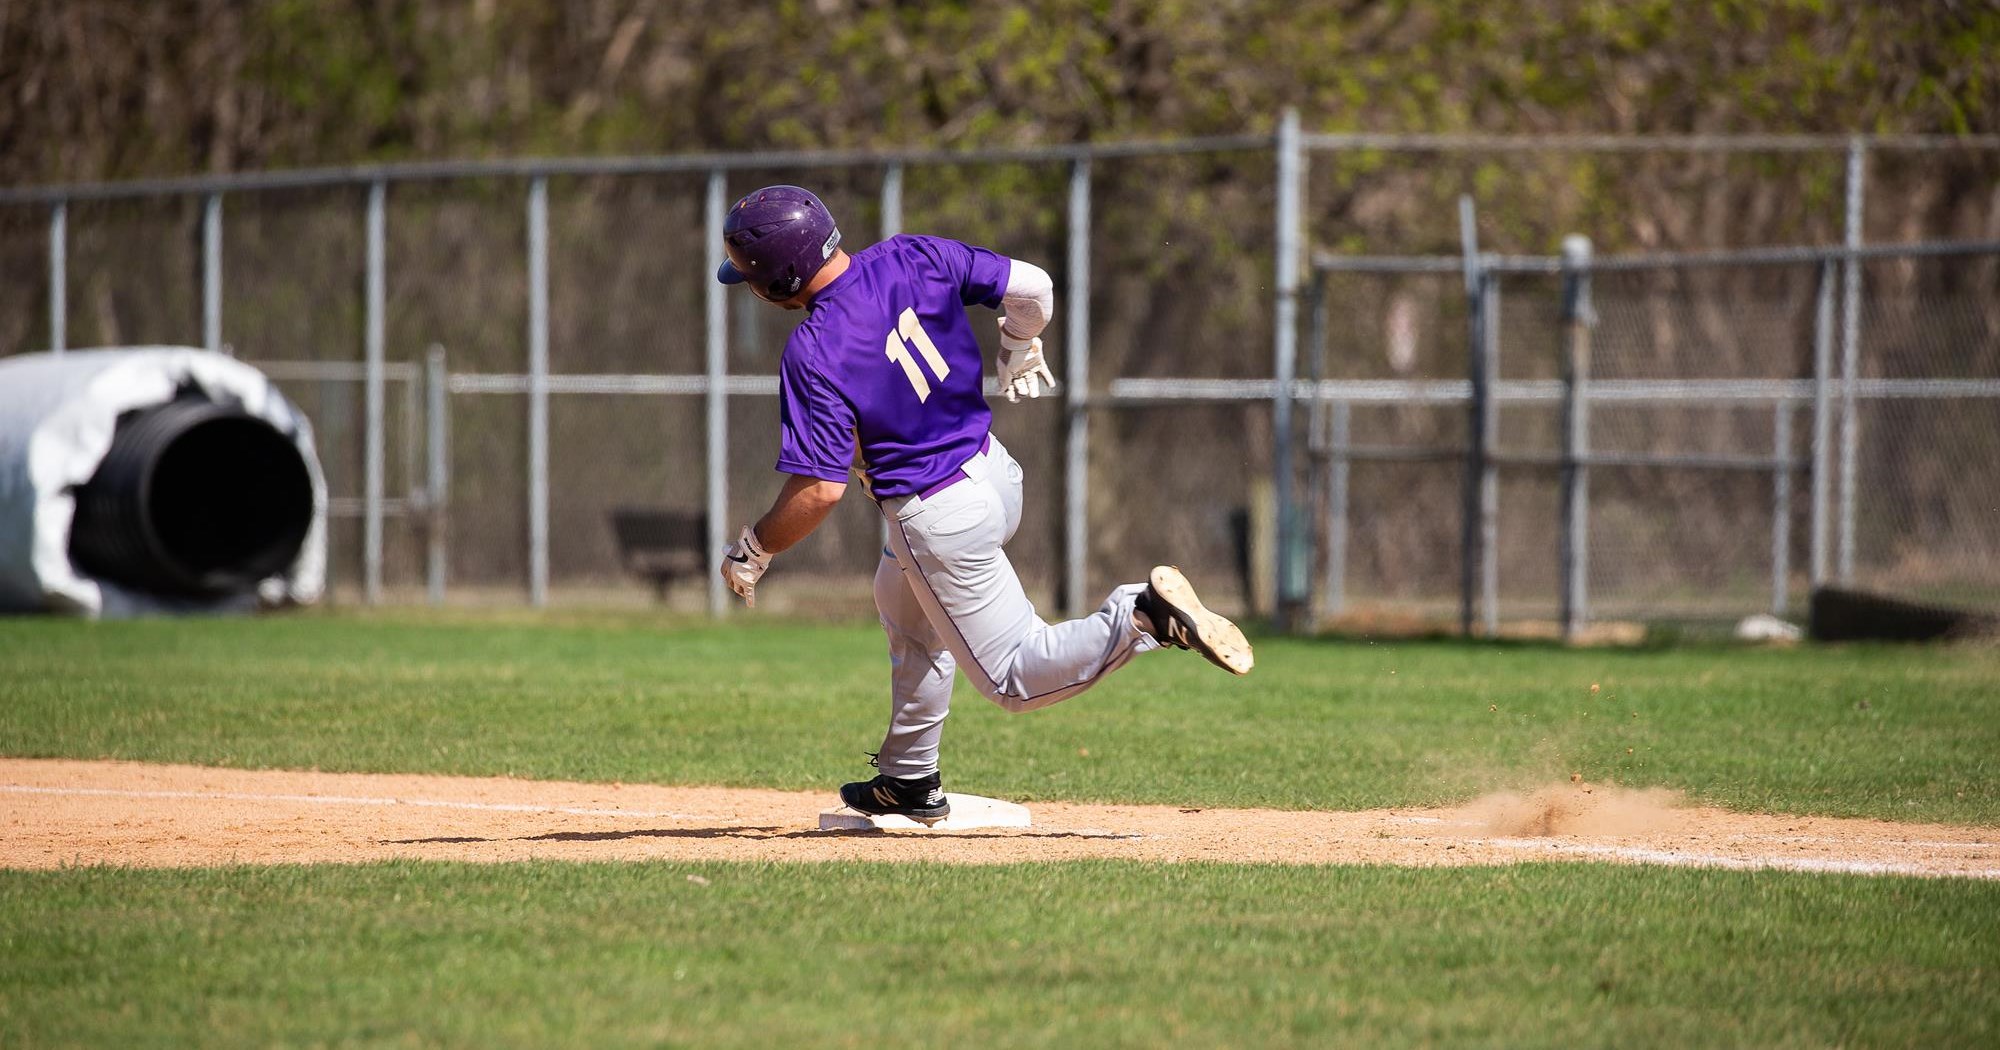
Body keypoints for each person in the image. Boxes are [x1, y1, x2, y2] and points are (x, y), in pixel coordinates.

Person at [715, 185, 1252, 825]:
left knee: (1015, 680)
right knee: (905, 605)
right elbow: (1034, 287)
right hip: (994, 473)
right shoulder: (909, 255)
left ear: (775, 281)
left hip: (937, 517)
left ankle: (1141, 615)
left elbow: (821, 489)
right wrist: (1021, 342)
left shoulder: (813, 349)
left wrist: (755, 549)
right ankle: (908, 779)